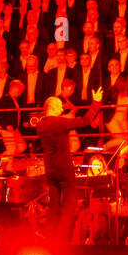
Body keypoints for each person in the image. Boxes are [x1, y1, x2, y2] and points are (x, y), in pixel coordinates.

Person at [36, 93, 102, 243]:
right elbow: (86, 120)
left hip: (50, 169)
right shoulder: (59, 122)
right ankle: (63, 239)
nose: (62, 107)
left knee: (53, 206)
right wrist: (96, 102)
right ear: (52, 107)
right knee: (69, 205)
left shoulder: (40, 125)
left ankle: (50, 238)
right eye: (60, 105)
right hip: (64, 168)